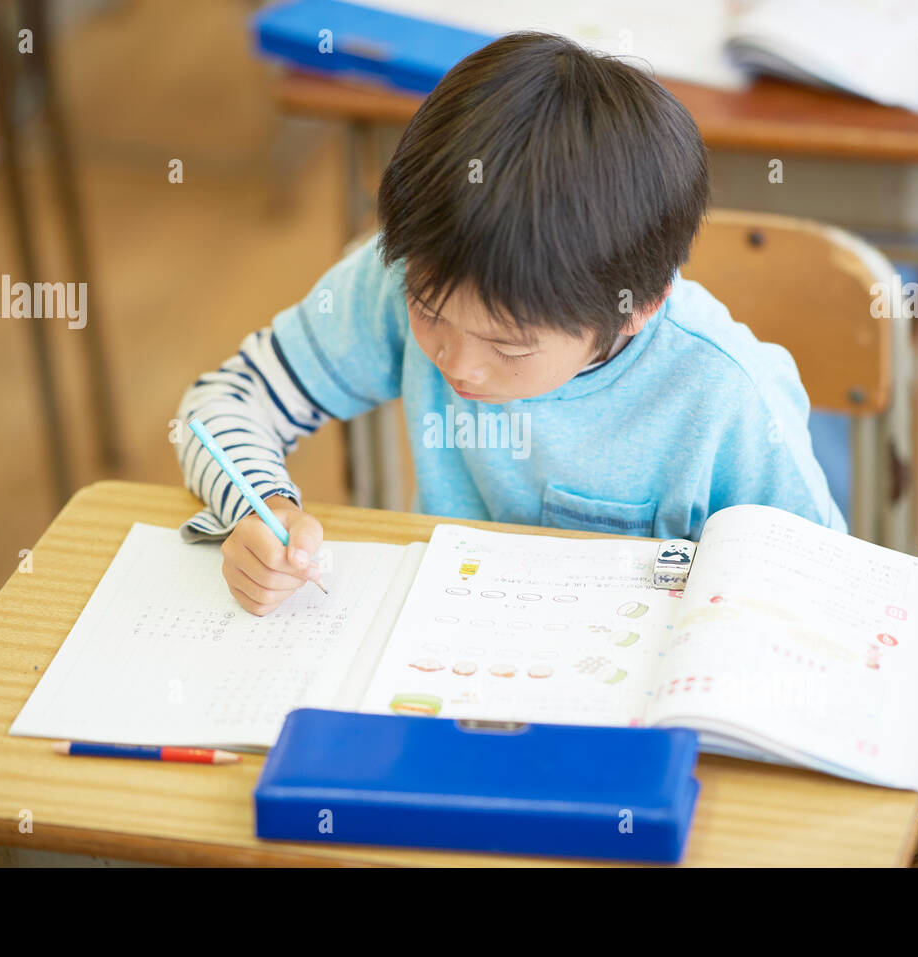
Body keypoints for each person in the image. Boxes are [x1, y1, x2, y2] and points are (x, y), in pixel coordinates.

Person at [176, 32, 843, 617]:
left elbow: (820, 594)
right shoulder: (415, 271)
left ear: (636, 307)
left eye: (509, 346)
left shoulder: (726, 395)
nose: (458, 364)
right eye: (429, 315)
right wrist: (264, 511)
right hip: (449, 654)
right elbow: (219, 407)